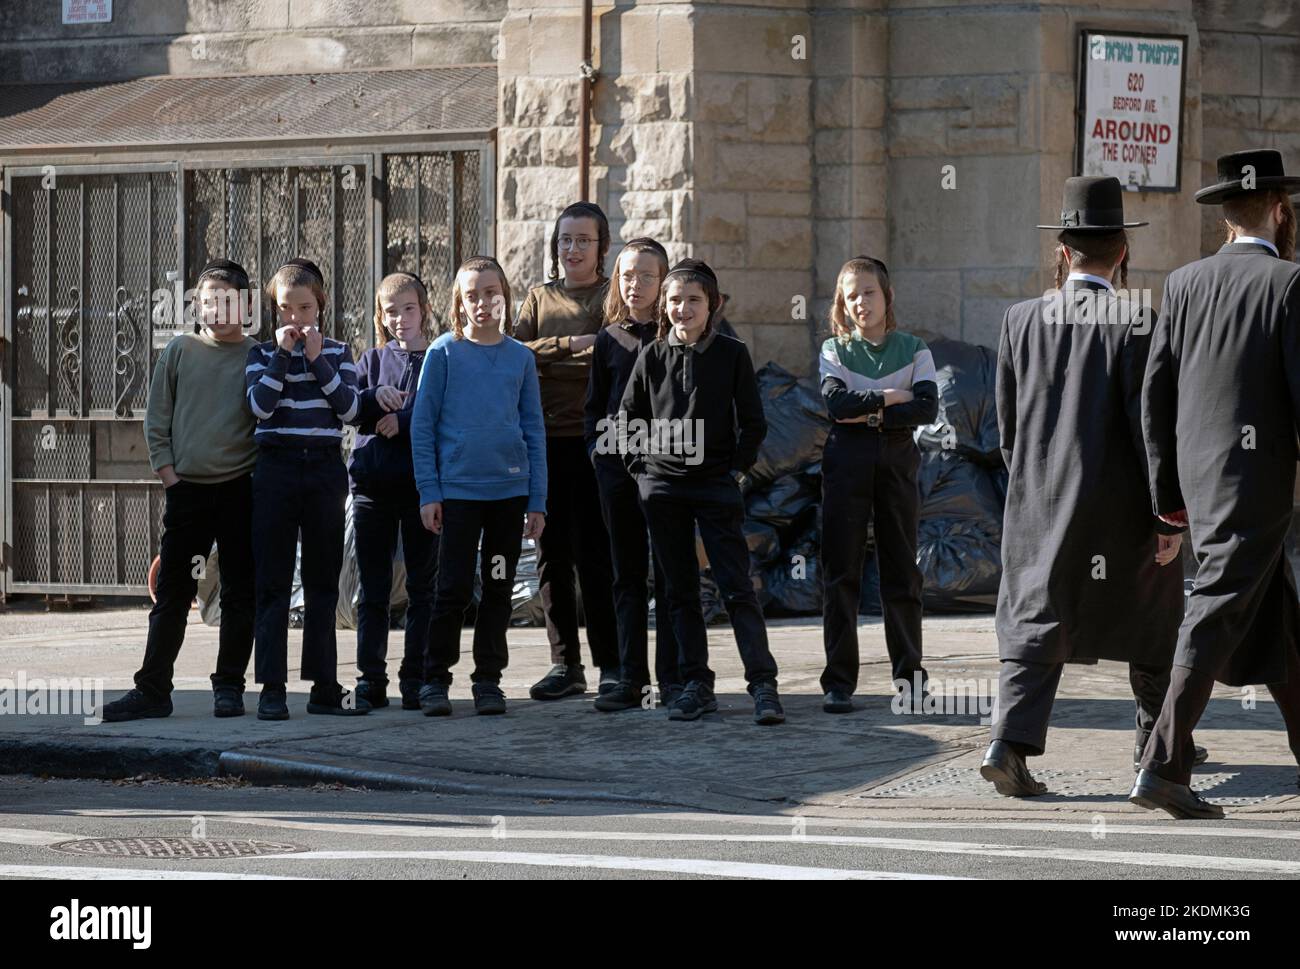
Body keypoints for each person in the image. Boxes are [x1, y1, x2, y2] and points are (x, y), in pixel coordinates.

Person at [980, 176, 1203, 797]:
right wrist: (1168, 518)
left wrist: (1029, 488)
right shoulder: (1138, 320)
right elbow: (1152, 432)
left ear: (1063, 251)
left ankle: (1009, 741)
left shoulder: (1019, 320)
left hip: (1036, 504)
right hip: (1119, 510)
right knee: (1154, 625)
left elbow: (1008, 427)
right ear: (1122, 253)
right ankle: (1153, 745)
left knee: (1034, 622)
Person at [1132, 149, 1300, 819]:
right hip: (1255, 480)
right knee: (1214, 605)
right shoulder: (1289, 284)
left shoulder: (1182, 283)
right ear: (1279, 211)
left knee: (1280, 625)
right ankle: (1164, 764)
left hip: (1201, 480)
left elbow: (1155, 395)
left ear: (1225, 216)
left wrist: (1167, 497)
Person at [619, 258, 784, 725]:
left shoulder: (732, 354)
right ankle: (695, 684)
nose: (683, 308)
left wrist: (734, 471)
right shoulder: (651, 357)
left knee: (736, 587)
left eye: (694, 300)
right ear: (663, 307)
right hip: (664, 490)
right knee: (679, 591)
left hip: (715, 487)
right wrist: (643, 473)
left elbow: (753, 422)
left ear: (712, 305)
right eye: (674, 300)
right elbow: (628, 419)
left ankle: (763, 685)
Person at [103, 260, 258, 721]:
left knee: (238, 594)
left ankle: (229, 686)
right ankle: (153, 690)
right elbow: (157, 419)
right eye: (208, 300)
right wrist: (169, 474)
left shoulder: (258, 356)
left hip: (240, 493)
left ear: (246, 305)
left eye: (226, 300)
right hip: (188, 493)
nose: (216, 309)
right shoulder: (180, 350)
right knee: (174, 593)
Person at [412, 256, 547, 717]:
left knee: (497, 585)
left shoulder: (520, 358)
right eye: (472, 295)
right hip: (458, 496)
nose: (483, 303)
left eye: (491, 293)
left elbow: (534, 428)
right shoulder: (443, 353)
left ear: (505, 297)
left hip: (507, 497)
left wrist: (537, 500)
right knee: (450, 588)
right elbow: (422, 426)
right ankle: (435, 679)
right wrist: (430, 491)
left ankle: (488, 679)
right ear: (459, 302)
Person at [245, 258, 369, 720]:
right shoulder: (260, 354)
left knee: (322, 584)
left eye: (304, 307)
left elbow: (351, 409)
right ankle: (272, 688)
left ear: (320, 305)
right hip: (275, 470)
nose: (296, 319)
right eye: (286, 309)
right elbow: (259, 406)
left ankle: (324, 685)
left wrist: (316, 359)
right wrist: (282, 355)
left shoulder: (337, 352)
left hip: (322, 471)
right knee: (273, 583)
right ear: (275, 311)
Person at [817, 255, 938, 714]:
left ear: (887, 296)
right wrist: (889, 399)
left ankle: (910, 678)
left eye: (869, 292)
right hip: (845, 459)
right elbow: (834, 404)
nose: (861, 302)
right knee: (841, 571)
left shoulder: (914, 348)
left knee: (901, 570)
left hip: (896, 459)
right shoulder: (834, 349)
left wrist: (863, 410)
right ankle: (839, 682)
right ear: (843, 306)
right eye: (851, 296)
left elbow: (925, 409)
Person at [514, 202, 621, 700]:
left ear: (602, 248)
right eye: (565, 240)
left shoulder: (613, 298)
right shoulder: (538, 299)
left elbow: (613, 349)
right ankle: (565, 666)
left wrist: (570, 351)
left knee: (599, 556)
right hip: (545, 443)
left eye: (583, 240)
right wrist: (568, 346)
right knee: (551, 557)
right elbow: (514, 355)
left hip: (600, 444)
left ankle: (612, 665)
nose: (573, 249)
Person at [585, 237, 682, 712]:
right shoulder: (609, 339)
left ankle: (674, 679)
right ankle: (630, 678)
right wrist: (600, 459)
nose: (636, 284)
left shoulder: (676, 337)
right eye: (627, 275)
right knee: (625, 576)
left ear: (664, 281)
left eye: (647, 275)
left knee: (669, 575)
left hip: (667, 473)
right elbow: (594, 409)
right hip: (618, 473)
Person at [349, 272, 438, 711]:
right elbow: (348, 407)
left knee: (423, 587)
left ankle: (415, 677)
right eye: (391, 311)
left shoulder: (439, 358)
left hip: (422, 488)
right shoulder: (370, 359)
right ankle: (370, 679)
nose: (401, 318)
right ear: (380, 317)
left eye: (409, 308)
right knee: (374, 589)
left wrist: (403, 421)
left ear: (423, 310)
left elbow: (442, 411)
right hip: (372, 488)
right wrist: (372, 399)